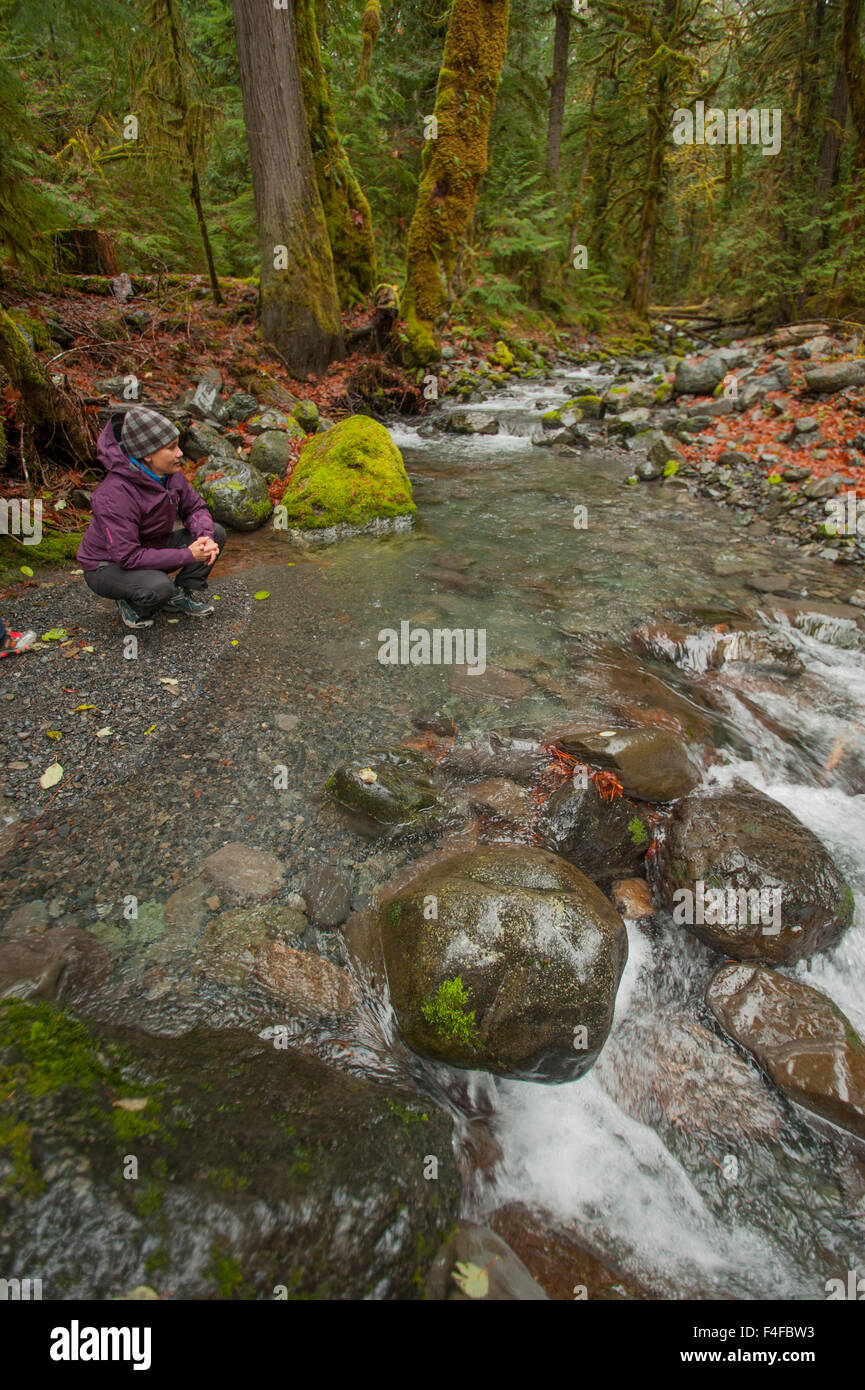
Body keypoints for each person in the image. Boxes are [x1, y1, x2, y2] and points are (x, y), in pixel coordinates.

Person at [77, 406, 226, 630]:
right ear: (147, 454)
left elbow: (195, 508)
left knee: (216, 532)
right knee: (159, 587)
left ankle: (180, 594)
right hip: (107, 565)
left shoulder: (169, 475)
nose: (180, 454)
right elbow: (127, 556)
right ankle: (133, 604)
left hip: (151, 547)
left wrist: (204, 537)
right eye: (171, 448)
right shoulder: (115, 493)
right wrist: (187, 555)